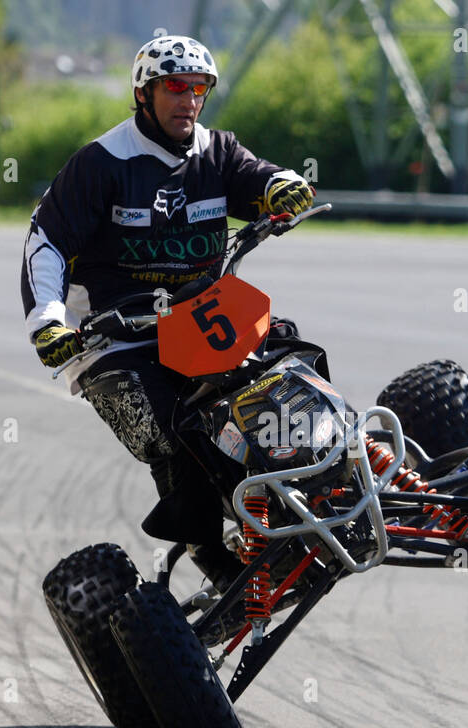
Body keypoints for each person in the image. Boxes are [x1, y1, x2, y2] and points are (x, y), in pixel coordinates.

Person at [20, 35, 314, 580]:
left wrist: (282, 184)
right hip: (114, 336)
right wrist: (48, 322)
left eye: (199, 88)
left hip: (201, 316)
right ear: (144, 92)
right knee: (169, 429)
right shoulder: (102, 163)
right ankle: (207, 545)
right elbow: (46, 241)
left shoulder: (217, 151)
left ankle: (330, 473)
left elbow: (258, 177)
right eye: (175, 86)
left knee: (292, 355)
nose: (189, 99)